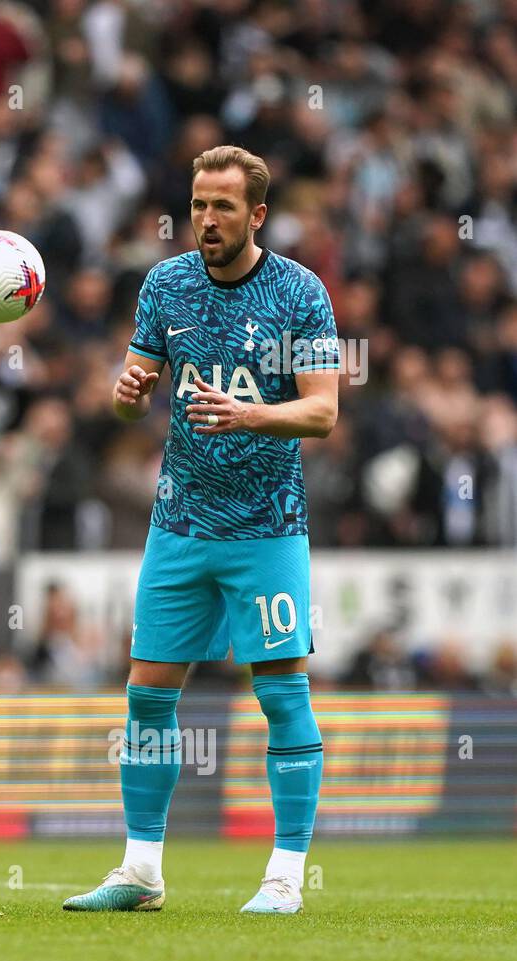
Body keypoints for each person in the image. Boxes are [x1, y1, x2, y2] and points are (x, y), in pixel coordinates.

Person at [62, 146, 340, 916]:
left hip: (266, 527)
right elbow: (131, 396)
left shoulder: (300, 293)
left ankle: (284, 876)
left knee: (280, 694)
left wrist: (250, 413)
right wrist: (125, 394)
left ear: (258, 214)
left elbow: (323, 410)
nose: (207, 219)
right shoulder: (165, 284)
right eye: (198, 205)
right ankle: (141, 870)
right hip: (179, 523)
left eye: (223, 206)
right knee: (147, 696)